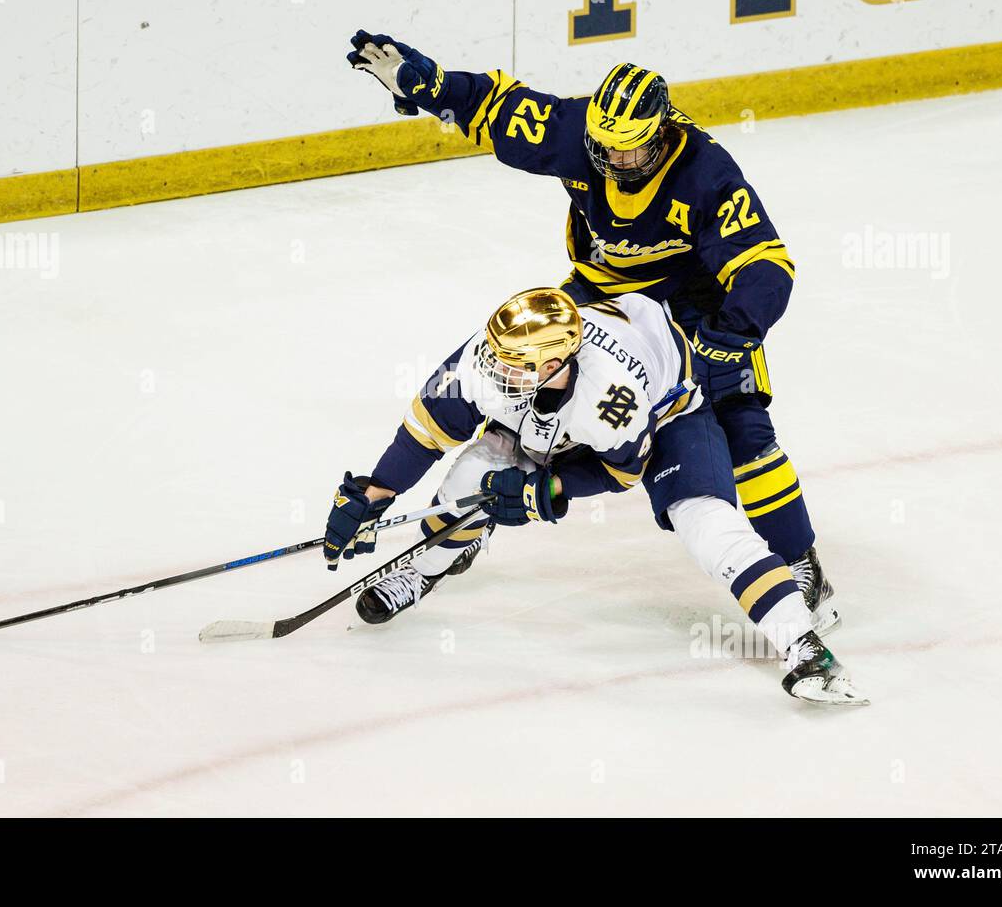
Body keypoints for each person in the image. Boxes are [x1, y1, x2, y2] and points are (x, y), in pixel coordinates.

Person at [345, 31, 838, 631]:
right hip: (600, 290)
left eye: (630, 151)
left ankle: (797, 559)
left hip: (694, 310)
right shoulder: (581, 132)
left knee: (744, 431)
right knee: (520, 401)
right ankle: (461, 528)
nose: (615, 163)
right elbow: (500, 110)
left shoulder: (706, 173)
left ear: (662, 133)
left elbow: (767, 265)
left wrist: (729, 335)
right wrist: (430, 85)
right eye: (606, 150)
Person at [322, 287, 865, 705]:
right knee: (470, 482)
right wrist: (373, 494)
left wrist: (548, 488)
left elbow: (620, 472)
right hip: (558, 411)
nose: (494, 369)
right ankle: (425, 570)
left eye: (514, 364)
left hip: (670, 413)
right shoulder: (484, 363)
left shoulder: (613, 395)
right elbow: (424, 434)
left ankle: (804, 646)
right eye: (496, 355)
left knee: (708, 526)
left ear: (555, 364)